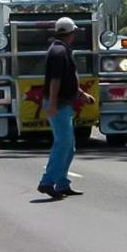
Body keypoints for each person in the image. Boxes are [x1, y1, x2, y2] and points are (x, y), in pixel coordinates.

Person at [36, 17, 94, 199]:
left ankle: (61, 183)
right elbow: (55, 80)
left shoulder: (61, 50)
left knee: (69, 146)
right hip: (58, 104)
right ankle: (47, 181)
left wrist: (81, 95)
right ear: (71, 33)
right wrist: (52, 103)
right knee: (63, 143)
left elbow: (67, 79)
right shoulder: (59, 52)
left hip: (63, 103)